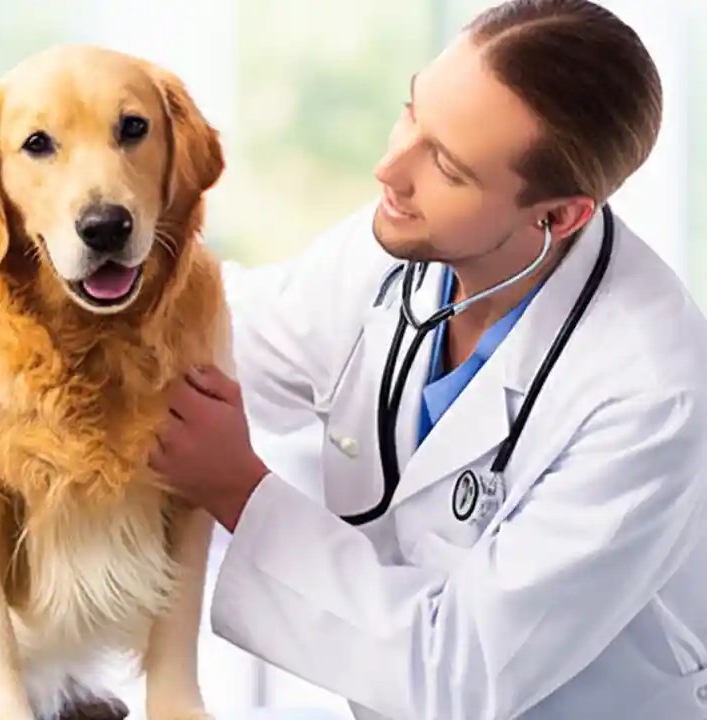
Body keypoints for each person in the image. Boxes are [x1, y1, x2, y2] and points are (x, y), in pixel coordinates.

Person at [149, 1, 707, 718]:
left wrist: (236, 490)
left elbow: (459, 671)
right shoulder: (408, 243)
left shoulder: (652, 392)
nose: (389, 168)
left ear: (559, 216)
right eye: (412, 112)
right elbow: (234, 343)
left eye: (445, 163)